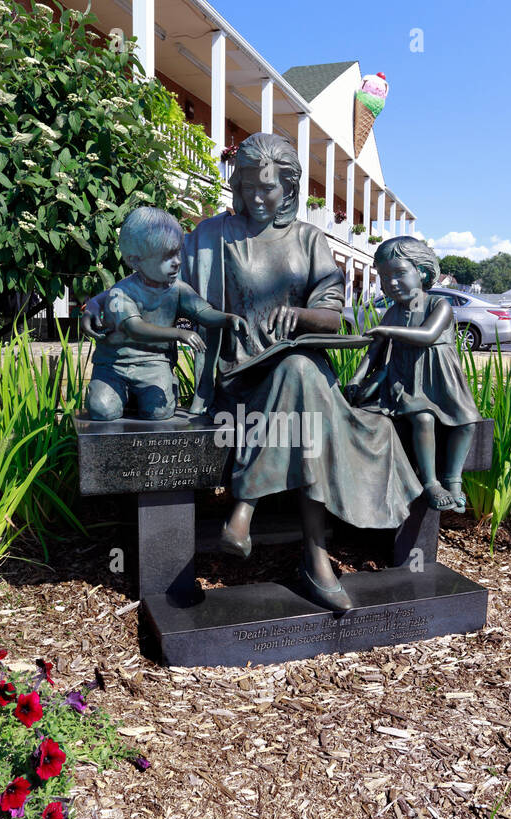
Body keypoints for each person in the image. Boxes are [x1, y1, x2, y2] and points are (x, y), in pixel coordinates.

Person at [182, 133, 422, 612]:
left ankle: (246, 507)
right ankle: (314, 559)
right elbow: (178, 298)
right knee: (302, 381)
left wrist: (303, 317)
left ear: (289, 189)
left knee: (298, 370)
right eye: (247, 184)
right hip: (242, 379)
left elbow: (337, 315)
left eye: (267, 187)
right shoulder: (216, 237)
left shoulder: (310, 240)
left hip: (302, 374)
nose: (256, 196)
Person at [349, 237, 482, 513]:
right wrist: (356, 378)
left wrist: (389, 332)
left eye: (399, 274)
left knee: (468, 422)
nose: (391, 283)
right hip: (408, 382)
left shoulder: (438, 305)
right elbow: (374, 352)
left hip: (441, 378)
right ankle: (431, 483)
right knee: (422, 418)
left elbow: (428, 335)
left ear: (421, 272)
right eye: (385, 277)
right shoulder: (392, 313)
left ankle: (453, 479)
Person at [86, 207, 247, 421]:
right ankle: (121, 393)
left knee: (159, 413)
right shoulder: (120, 293)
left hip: (154, 364)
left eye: (178, 253)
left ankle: (154, 389)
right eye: (167, 257)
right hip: (113, 366)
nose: (177, 262)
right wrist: (179, 334)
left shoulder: (178, 289)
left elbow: (204, 312)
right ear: (135, 260)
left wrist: (228, 319)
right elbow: (135, 328)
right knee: (102, 410)